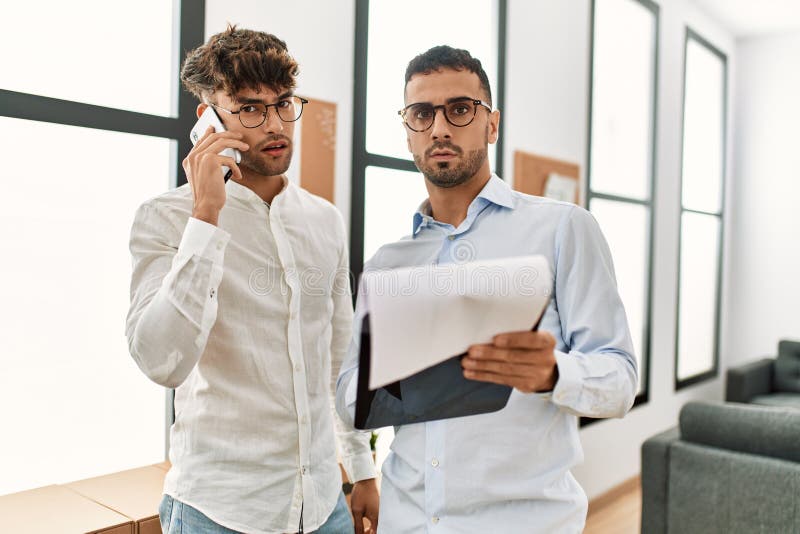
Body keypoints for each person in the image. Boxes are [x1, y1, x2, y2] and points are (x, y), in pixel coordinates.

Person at [336, 45, 638, 533]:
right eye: (421, 114)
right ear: (408, 133)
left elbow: (620, 382)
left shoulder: (564, 230)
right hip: (406, 521)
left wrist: (552, 374)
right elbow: (349, 395)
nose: (439, 128)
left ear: (491, 125)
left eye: (460, 110)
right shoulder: (387, 262)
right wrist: (399, 383)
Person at [126, 26, 379, 534]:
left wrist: (363, 467)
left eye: (283, 103)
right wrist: (205, 216)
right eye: (249, 108)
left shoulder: (324, 220)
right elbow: (160, 360)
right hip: (220, 512)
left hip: (322, 505)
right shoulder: (166, 218)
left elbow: (340, 355)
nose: (275, 123)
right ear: (208, 120)